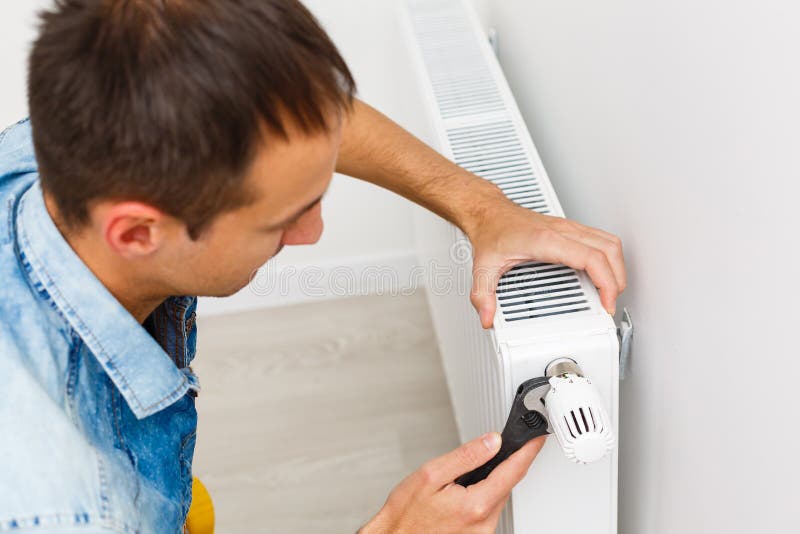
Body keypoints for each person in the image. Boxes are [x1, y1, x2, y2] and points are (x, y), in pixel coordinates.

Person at [0, 1, 626, 532]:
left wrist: (481, 205)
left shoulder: (78, 141)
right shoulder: (67, 501)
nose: (313, 233)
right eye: (282, 219)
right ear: (138, 231)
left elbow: (317, 117)